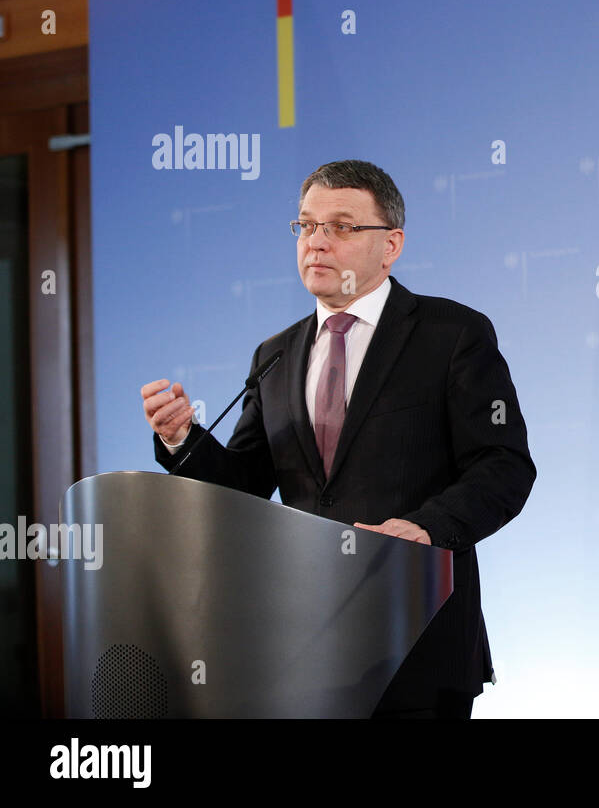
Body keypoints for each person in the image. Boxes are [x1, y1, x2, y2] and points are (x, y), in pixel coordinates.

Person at [141, 159, 535, 719]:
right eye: (306, 226)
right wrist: (183, 440)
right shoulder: (274, 355)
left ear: (390, 244)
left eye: (342, 226)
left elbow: (504, 466)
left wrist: (425, 528)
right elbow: (242, 490)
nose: (317, 242)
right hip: (300, 649)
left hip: (416, 636)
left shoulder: (452, 335)